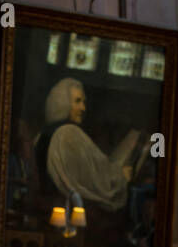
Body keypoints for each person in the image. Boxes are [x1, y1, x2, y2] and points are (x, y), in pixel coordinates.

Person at [36, 77, 139, 211]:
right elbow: (93, 179)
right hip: (70, 209)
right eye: (77, 102)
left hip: (51, 206)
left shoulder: (42, 134)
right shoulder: (69, 133)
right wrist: (121, 176)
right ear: (62, 103)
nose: (83, 108)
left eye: (84, 102)